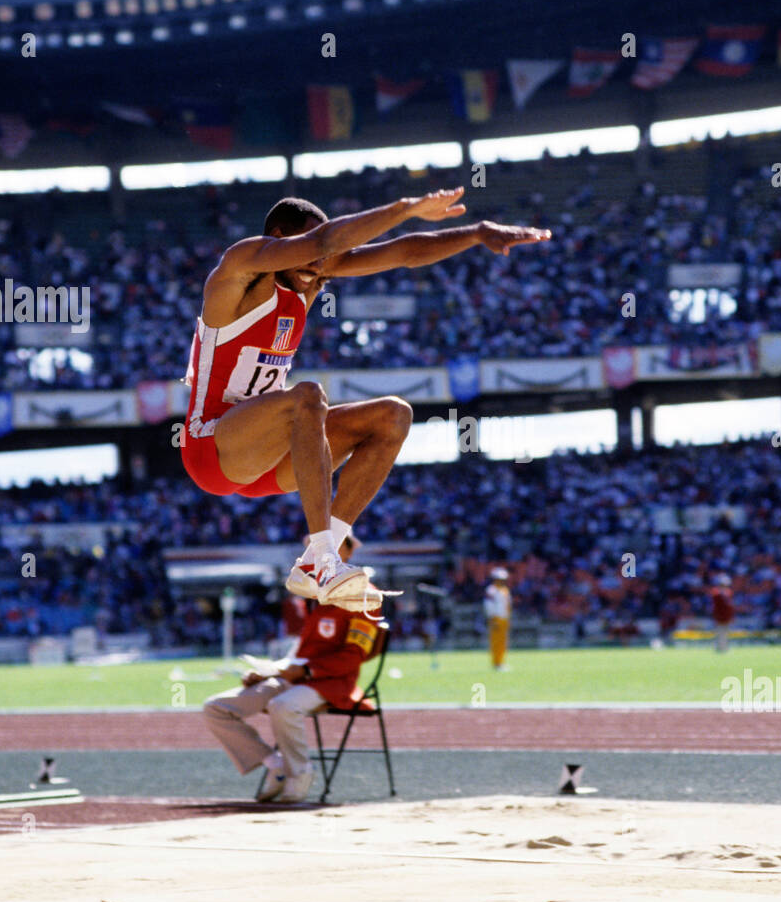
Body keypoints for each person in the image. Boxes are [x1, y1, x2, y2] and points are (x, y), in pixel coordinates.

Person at [181, 188, 551, 611]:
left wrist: (475, 233)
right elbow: (324, 243)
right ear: (280, 237)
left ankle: (314, 561)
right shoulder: (239, 267)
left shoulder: (312, 276)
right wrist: (406, 208)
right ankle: (325, 560)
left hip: (268, 458)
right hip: (212, 447)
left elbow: (404, 253)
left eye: (321, 260)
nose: (318, 265)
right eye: (307, 250)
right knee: (306, 396)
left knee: (394, 416)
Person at [202, 533, 385, 804]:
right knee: (215, 708)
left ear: (346, 551)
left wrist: (308, 672)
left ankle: (300, 773)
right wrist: (269, 671)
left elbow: (353, 657)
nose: (313, 555)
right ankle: (275, 765)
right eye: (311, 549)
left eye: (321, 548)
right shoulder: (311, 589)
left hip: (332, 684)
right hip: (294, 677)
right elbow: (301, 650)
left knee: (282, 706)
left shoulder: (364, 595)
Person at [484, 567, 512, 671]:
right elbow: (488, 605)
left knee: (503, 642)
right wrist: (492, 619)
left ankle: (501, 661)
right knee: (496, 641)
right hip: (496, 619)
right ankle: (496, 663)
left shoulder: (505, 590)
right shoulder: (491, 590)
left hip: (504, 619)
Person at [709, 573, 735, 653]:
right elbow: (716, 606)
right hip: (719, 616)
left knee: (726, 633)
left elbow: (730, 606)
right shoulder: (716, 593)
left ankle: (724, 647)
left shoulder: (729, 592)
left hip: (726, 616)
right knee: (719, 632)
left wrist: (731, 616)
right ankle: (719, 647)